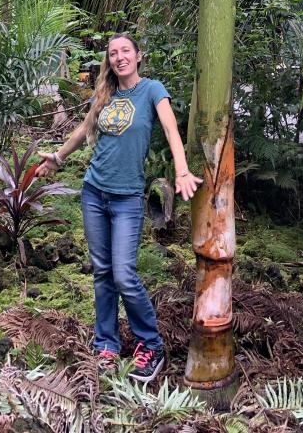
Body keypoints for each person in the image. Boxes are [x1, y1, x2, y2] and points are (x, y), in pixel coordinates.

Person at [35, 33, 202, 383]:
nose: (119, 57)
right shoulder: (105, 93)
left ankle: (151, 343)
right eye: (113, 53)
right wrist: (58, 157)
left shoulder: (152, 90)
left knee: (124, 273)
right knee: (102, 273)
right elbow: (84, 128)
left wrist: (182, 169)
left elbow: (172, 131)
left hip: (126, 198)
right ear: (108, 60)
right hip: (94, 192)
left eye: (126, 51)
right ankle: (107, 346)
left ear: (138, 56)